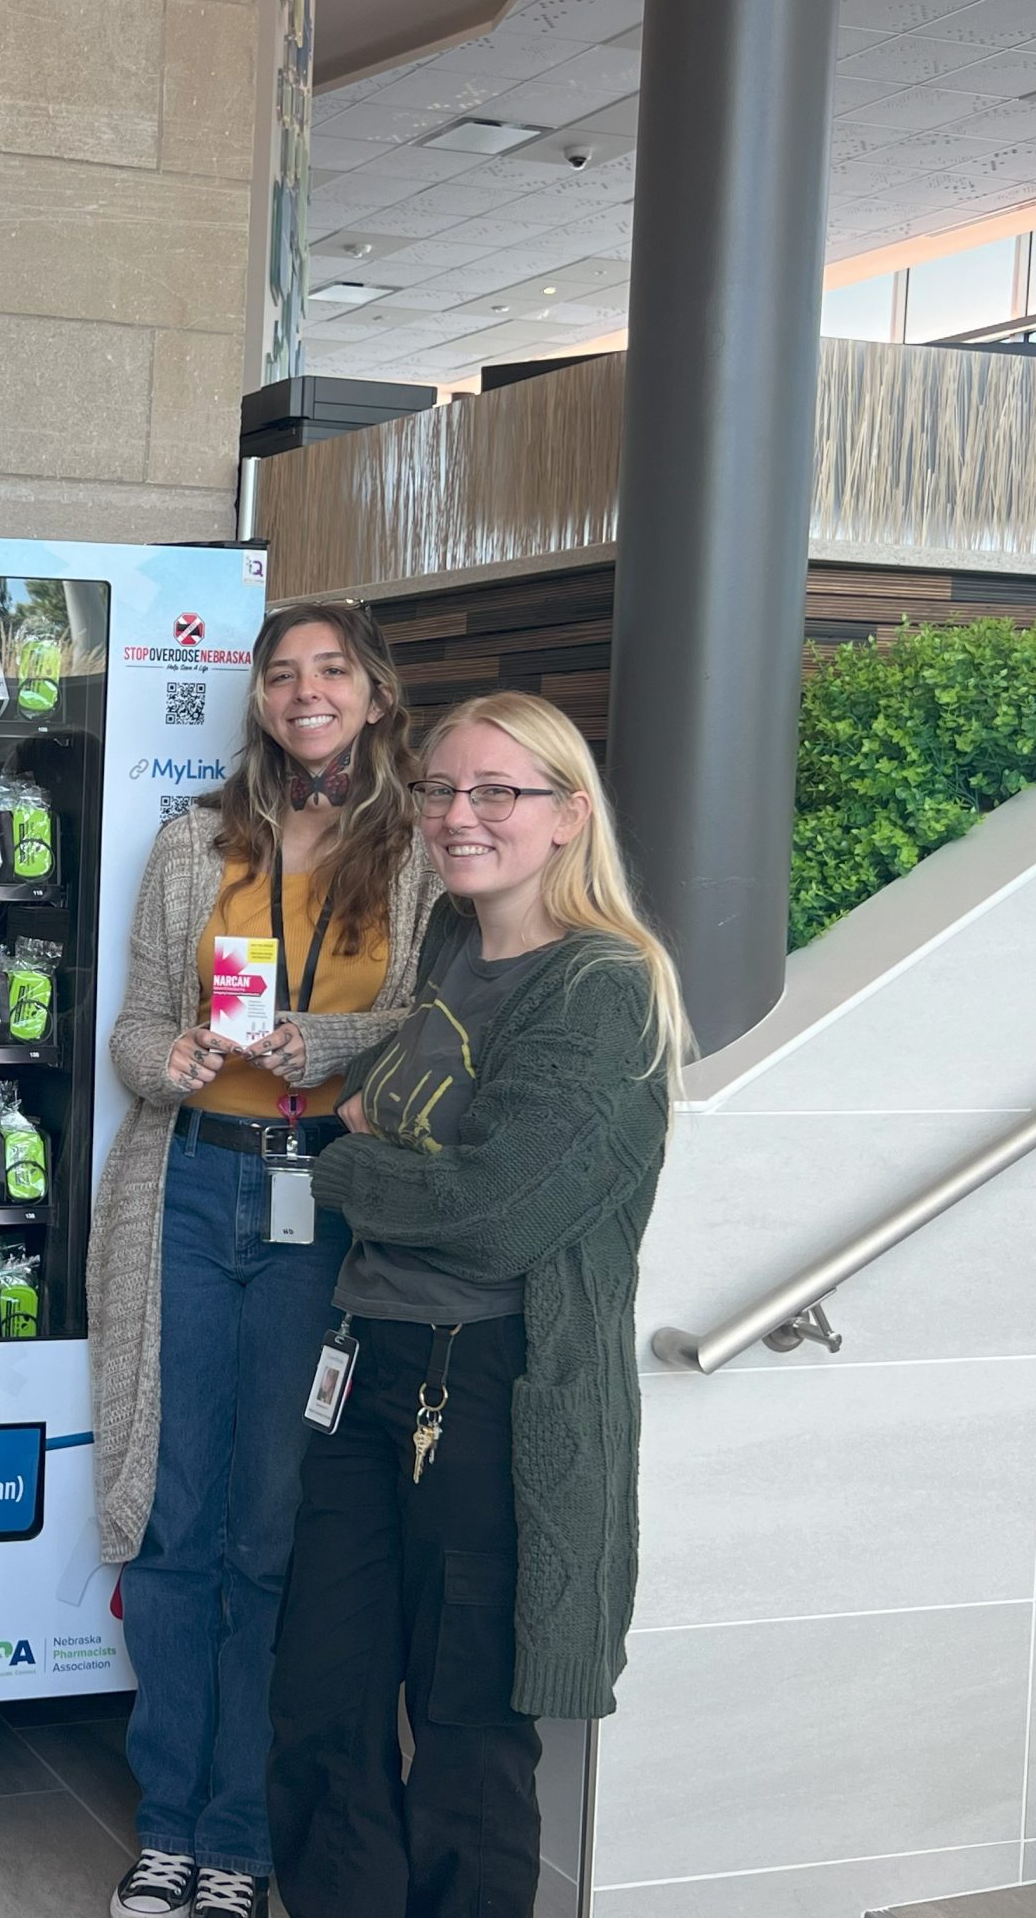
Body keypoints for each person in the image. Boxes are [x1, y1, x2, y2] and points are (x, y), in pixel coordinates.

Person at [264, 691, 689, 1914]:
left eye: (495, 792)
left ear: (566, 816)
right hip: (368, 1368)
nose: (459, 816)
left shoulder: (600, 988)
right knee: (321, 1703)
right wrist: (394, 1145)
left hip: (496, 1388)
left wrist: (345, 1162)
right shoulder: (457, 954)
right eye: (441, 790)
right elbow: (456, 1164)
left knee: (465, 1736)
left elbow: (504, 1211)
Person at [89, 602, 443, 1918]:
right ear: (258, 701)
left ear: (372, 693)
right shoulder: (196, 844)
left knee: (275, 1533)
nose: (306, 692)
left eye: (331, 670)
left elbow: (441, 1024)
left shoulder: (415, 848)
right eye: (283, 673)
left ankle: (240, 1839)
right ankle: (165, 1828)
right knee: (174, 1528)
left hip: (325, 1204)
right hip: (186, 1190)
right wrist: (164, 1061)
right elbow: (131, 1025)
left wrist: (338, 1046)